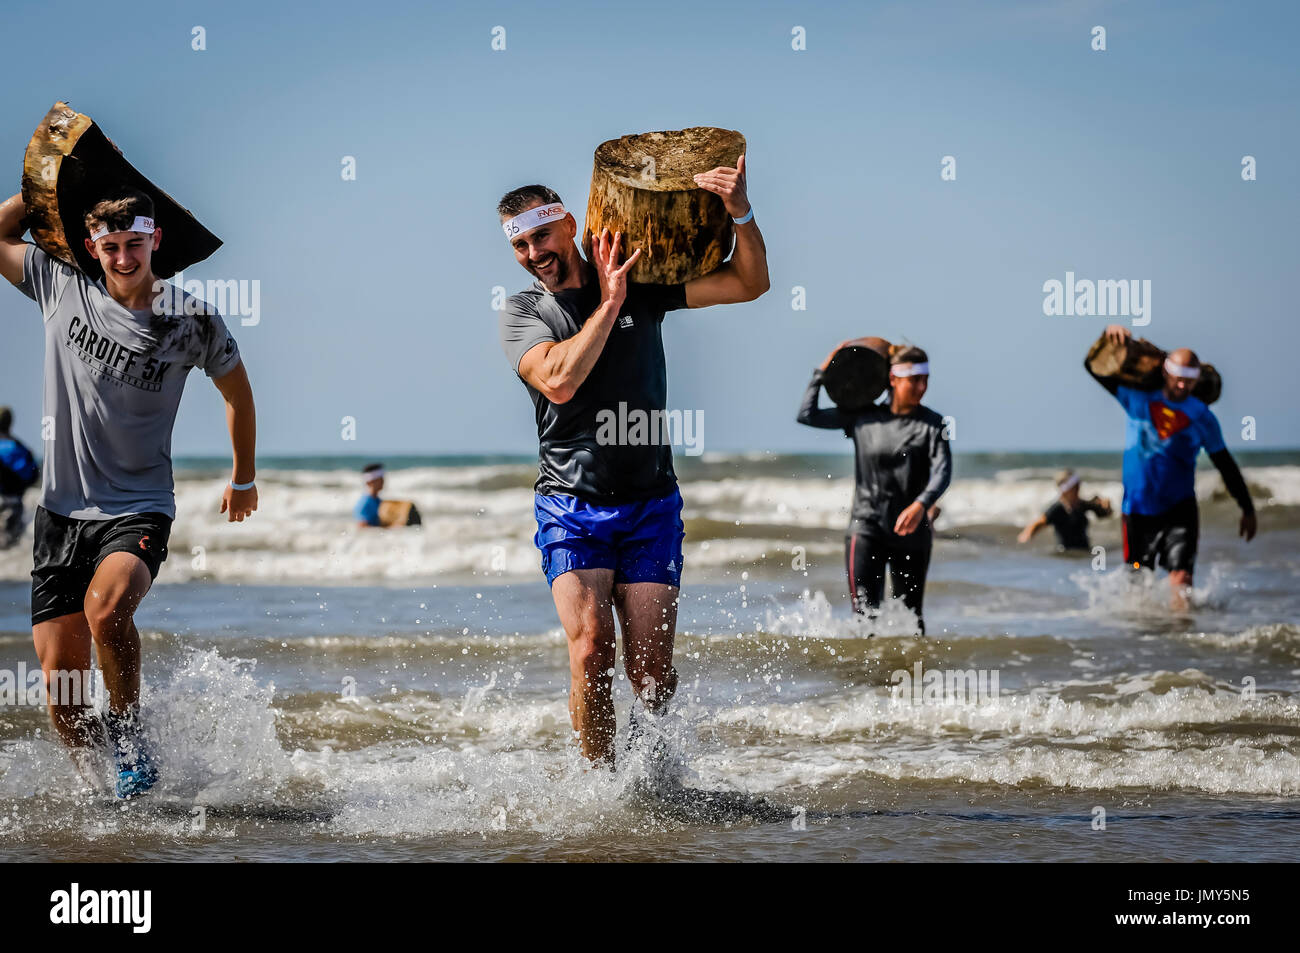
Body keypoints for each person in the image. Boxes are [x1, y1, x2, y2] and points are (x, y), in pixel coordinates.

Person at [496, 155, 769, 767]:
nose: (533, 251)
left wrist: (740, 213)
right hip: (571, 505)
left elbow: (748, 283)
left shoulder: (637, 282)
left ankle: (653, 783)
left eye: (540, 234)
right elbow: (560, 381)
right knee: (592, 651)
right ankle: (599, 788)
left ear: (570, 224)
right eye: (519, 243)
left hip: (650, 503)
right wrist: (610, 303)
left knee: (651, 671)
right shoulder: (523, 313)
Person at [0, 187, 258, 797]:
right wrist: (49, 185)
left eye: (134, 245)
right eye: (110, 247)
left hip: (139, 505)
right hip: (60, 514)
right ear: (91, 247)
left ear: (155, 242)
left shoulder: (189, 318)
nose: (122, 259)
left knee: (107, 610)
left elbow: (237, 393)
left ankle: (128, 729)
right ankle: (109, 800)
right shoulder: (60, 286)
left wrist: (243, 476)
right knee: (62, 691)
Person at [1089, 324, 1256, 610]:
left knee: (1181, 577)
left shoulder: (1201, 416)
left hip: (1179, 509)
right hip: (1137, 511)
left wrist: (1246, 506)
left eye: (1189, 380)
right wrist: (1109, 335)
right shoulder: (1136, 397)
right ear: (1166, 372)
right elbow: (1094, 368)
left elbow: (1224, 463)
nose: (1182, 385)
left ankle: (1183, 640)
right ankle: (1145, 646)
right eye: (1178, 378)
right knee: (1138, 579)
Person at [797, 343, 952, 634]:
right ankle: (868, 680)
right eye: (915, 380)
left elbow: (943, 471)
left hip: (913, 533)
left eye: (925, 380)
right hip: (865, 529)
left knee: (912, 619)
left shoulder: (933, 424)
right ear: (893, 379)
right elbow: (807, 415)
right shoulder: (862, 417)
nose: (922, 387)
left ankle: (911, 677)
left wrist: (921, 505)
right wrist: (822, 372)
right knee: (865, 619)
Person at [1018, 468, 1112, 550]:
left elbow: (1105, 514)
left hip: (1084, 553)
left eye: (1078, 486)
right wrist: (1026, 536)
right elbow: (1039, 523)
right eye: (1074, 488)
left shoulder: (1082, 505)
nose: (1077, 490)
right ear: (1065, 491)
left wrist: (1107, 506)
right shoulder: (1057, 509)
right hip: (1065, 554)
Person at [0, 406, 39, 548]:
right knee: (9, 544)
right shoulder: (18, 448)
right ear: (10, 422)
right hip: (12, 502)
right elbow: (32, 475)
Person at [355, 463, 385, 528]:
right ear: (369, 482)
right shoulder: (364, 504)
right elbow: (362, 528)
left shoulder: (379, 501)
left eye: (382, 478)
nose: (383, 481)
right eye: (379, 479)